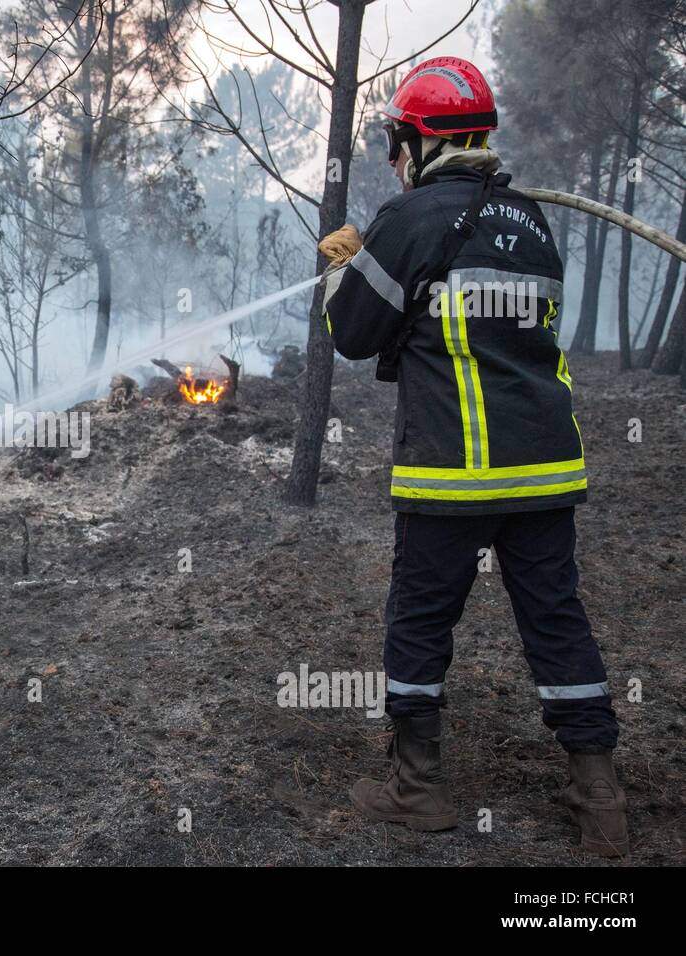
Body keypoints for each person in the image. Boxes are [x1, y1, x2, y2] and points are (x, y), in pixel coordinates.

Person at [318, 56, 628, 856]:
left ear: (421, 141)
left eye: (395, 140)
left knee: (419, 624)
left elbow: (354, 335)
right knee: (556, 621)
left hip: (451, 470)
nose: (392, 158)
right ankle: (601, 798)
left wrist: (342, 267)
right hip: (544, 470)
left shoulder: (411, 218)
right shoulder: (530, 221)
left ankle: (417, 789)